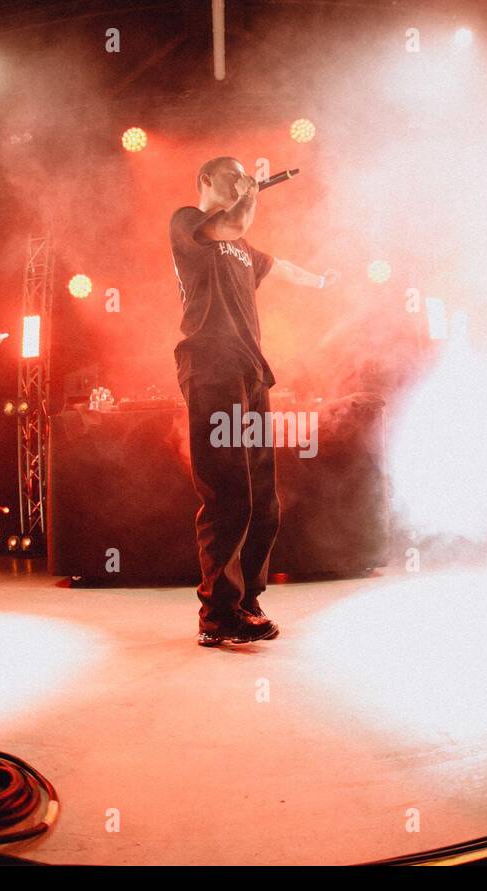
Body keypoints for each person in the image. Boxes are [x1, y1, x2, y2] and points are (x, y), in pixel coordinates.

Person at [169, 156, 338, 647]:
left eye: (244, 176)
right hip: (211, 368)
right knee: (229, 494)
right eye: (231, 175)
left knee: (264, 499)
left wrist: (320, 281)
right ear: (205, 180)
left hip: (251, 373)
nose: (241, 182)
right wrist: (252, 191)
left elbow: (276, 264)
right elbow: (234, 220)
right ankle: (217, 615)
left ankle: (246, 602)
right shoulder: (190, 223)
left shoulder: (240, 247)